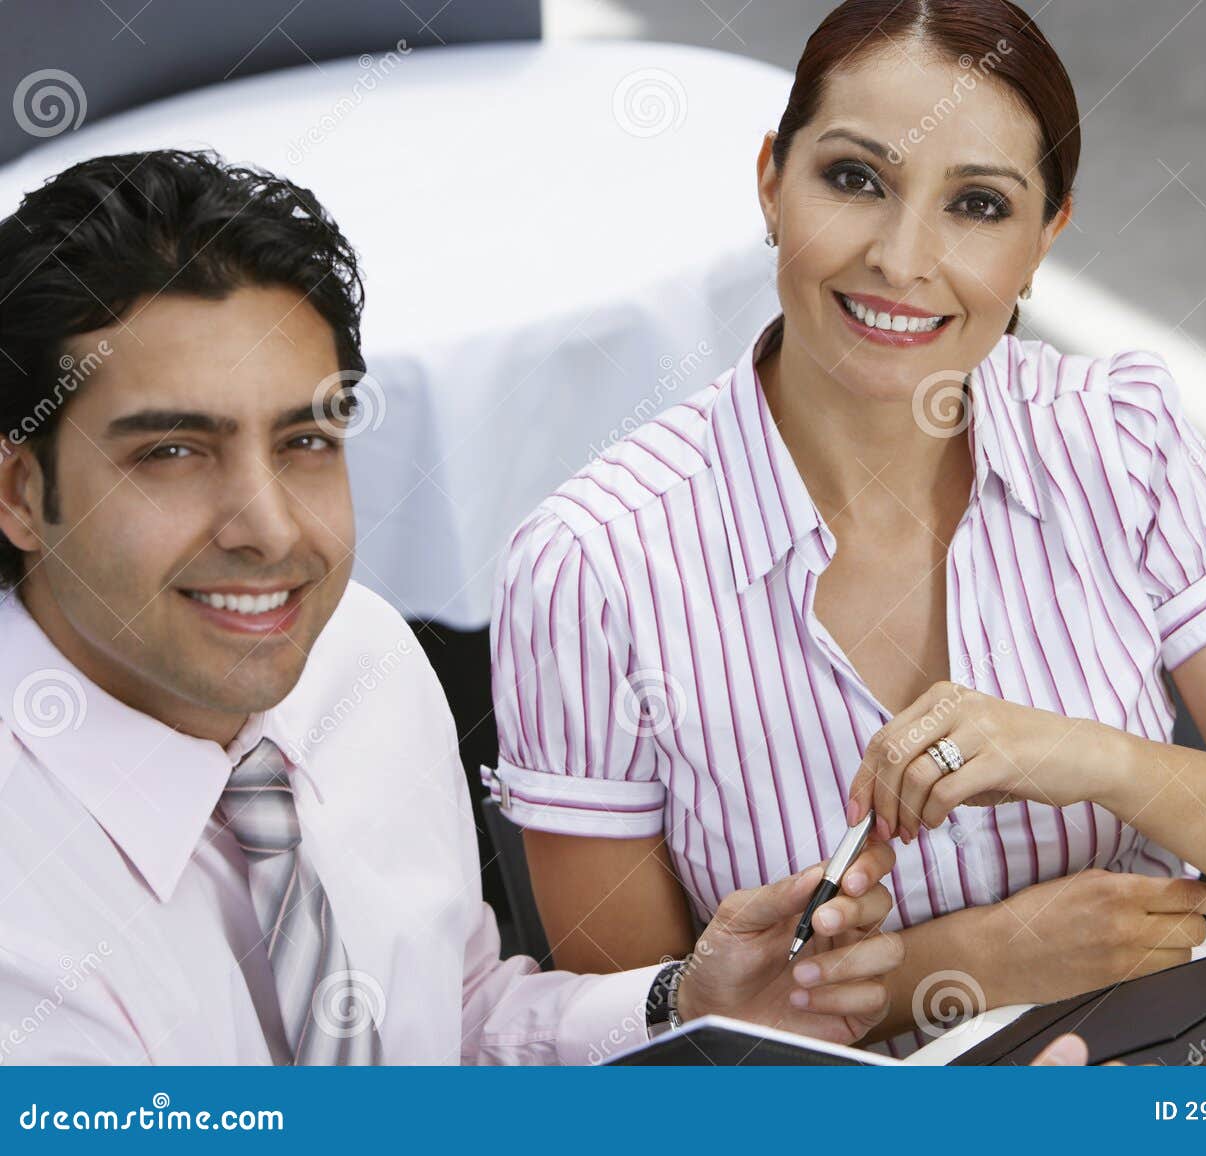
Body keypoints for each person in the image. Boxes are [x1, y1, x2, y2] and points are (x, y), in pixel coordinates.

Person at [488, 0, 1206, 1056]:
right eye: (855, 180)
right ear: (772, 180)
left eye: (976, 204)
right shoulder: (589, 566)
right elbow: (647, 1053)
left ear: (1044, 240)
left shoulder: (1119, 437)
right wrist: (976, 963)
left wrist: (1100, 759)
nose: (902, 259)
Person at [0, 149, 903, 1065]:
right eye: (173, 454)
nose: (270, 532)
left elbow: (451, 1018)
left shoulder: (362, 654)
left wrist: (681, 1005)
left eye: (306, 439)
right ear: (20, 491)